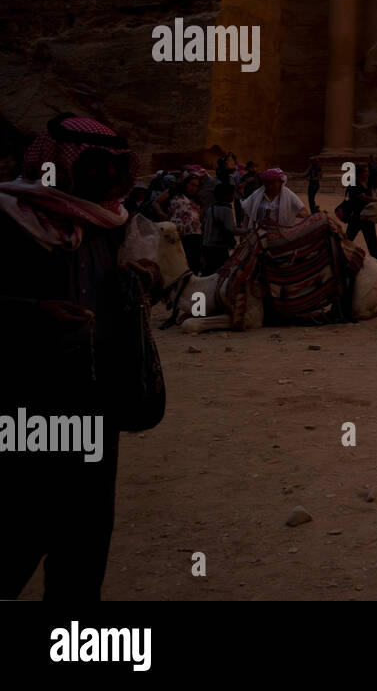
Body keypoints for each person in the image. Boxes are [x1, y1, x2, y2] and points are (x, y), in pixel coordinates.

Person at [0, 114, 162, 600]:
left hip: (96, 403)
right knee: (20, 527)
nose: (110, 179)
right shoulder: (8, 218)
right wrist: (33, 313)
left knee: (86, 538)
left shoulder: (111, 227)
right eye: (95, 168)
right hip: (25, 401)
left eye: (118, 168)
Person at [201, 182, 248, 275]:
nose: (233, 196)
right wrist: (248, 230)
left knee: (209, 271)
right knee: (220, 273)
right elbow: (231, 229)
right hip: (219, 248)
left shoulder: (212, 208)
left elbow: (203, 226)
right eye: (232, 194)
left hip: (207, 245)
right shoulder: (226, 210)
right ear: (226, 196)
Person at [241, 168, 308, 229]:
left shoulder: (288, 194)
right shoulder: (258, 194)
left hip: (280, 234)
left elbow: (304, 211)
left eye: (273, 184)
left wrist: (292, 213)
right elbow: (247, 211)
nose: (270, 187)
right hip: (259, 234)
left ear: (280, 182)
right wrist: (244, 231)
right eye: (267, 184)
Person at [168, 172, 205, 274]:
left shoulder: (196, 200)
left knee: (193, 265)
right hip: (178, 235)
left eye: (196, 186)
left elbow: (200, 218)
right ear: (185, 183)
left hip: (195, 235)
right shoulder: (174, 193)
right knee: (180, 265)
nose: (193, 188)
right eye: (191, 184)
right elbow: (156, 203)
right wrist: (163, 215)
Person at [340, 182, 377, 263]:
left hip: (367, 215)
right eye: (365, 171)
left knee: (371, 238)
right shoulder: (355, 184)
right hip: (357, 216)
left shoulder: (366, 183)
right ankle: (340, 254)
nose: (367, 173)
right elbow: (363, 197)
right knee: (349, 238)